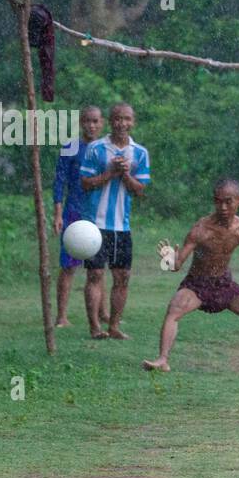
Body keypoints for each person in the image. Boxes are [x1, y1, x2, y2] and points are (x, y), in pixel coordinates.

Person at [143, 178, 239, 374]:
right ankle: (162, 360)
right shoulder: (201, 229)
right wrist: (168, 258)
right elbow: (176, 265)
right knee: (173, 311)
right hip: (196, 286)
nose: (223, 207)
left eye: (229, 201)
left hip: (225, 287)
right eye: (218, 201)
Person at [79, 103, 150, 339]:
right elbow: (85, 183)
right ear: (110, 121)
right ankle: (94, 327)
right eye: (118, 119)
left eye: (127, 119)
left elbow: (140, 190)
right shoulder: (96, 149)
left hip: (122, 226)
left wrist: (126, 174)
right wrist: (110, 172)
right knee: (95, 275)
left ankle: (115, 326)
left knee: (122, 277)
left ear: (133, 121)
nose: (122, 123)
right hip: (95, 224)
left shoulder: (140, 153)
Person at [51, 105, 104, 328]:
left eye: (95, 121)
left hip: (99, 214)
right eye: (87, 121)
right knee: (69, 266)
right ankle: (61, 316)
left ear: (102, 123)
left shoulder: (106, 149)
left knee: (98, 269)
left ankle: (102, 313)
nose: (91, 125)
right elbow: (59, 180)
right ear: (81, 123)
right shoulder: (70, 147)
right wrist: (58, 213)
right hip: (74, 212)